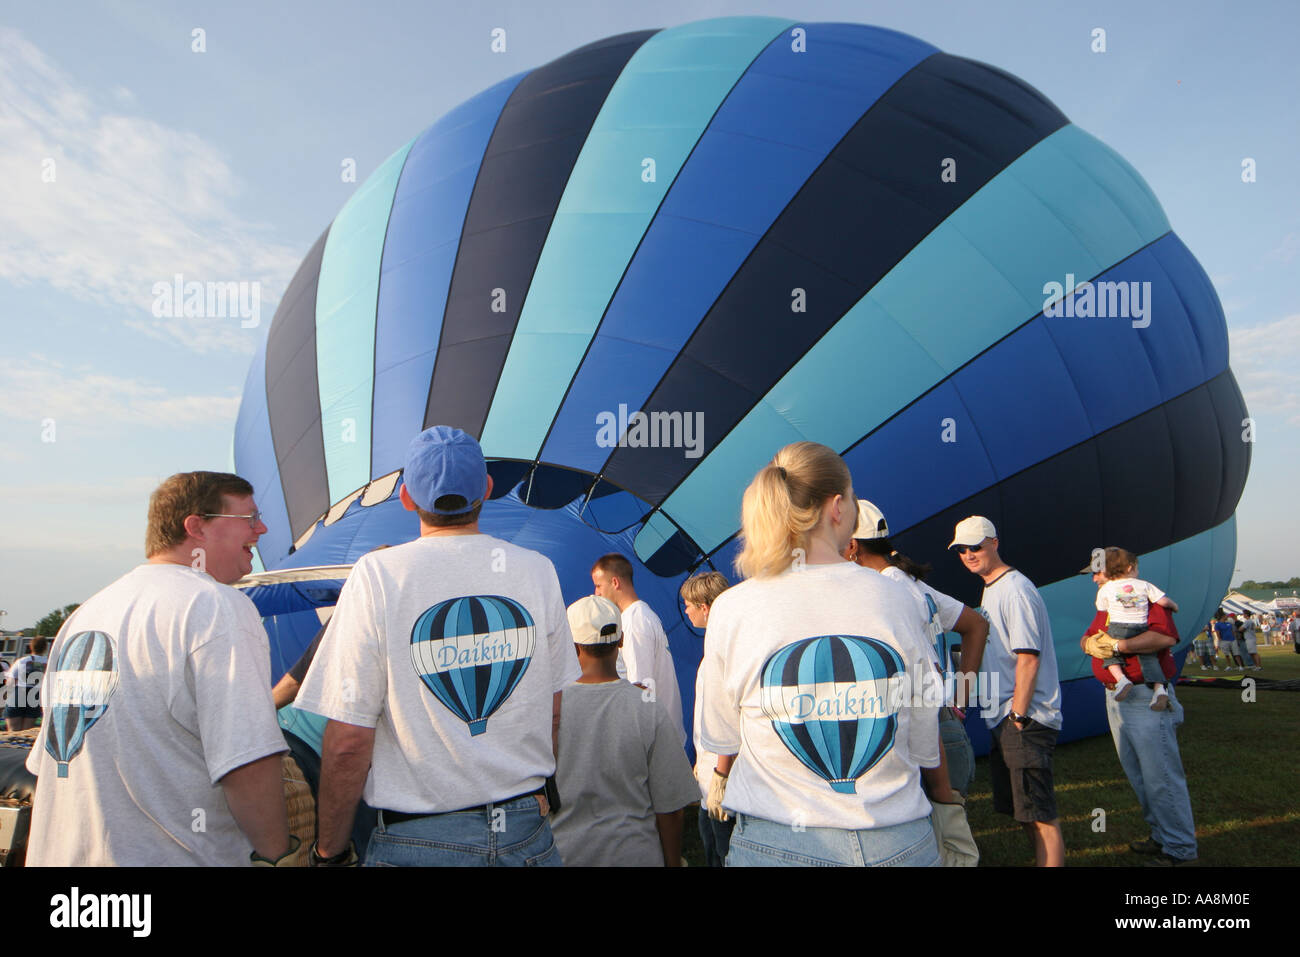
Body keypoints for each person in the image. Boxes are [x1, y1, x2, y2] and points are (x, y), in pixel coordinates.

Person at [295, 426, 579, 867]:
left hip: (417, 839)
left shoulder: (377, 575)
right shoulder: (537, 570)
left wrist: (328, 851)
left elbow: (348, 740)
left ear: (407, 497)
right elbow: (553, 710)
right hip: (525, 832)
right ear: (487, 489)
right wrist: (540, 791)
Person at [698, 441, 954, 867]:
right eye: (852, 498)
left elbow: (721, 735)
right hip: (897, 838)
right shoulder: (896, 597)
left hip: (776, 843)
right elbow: (924, 736)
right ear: (837, 507)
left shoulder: (733, 607)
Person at [24, 471, 294, 866]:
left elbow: (53, 763)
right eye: (249, 518)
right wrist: (277, 856)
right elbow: (248, 761)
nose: (263, 529)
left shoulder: (85, 615)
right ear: (196, 526)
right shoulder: (215, 604)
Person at [843, 500, 989, 798]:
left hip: (926, 730)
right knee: (948, 831)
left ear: (852, 545)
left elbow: (925, 668)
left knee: (942, 833)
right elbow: (976, 625)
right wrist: (959, 700)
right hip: (943, 724)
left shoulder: (888, 589)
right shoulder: (909, 581)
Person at [549, 596, 698, 866]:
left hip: (565, 855)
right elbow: (671, 807)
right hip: (636, 854)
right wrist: (673, 862)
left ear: (571, 646)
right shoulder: (647, 706)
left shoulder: (549, 708)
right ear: (621, 641)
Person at [951, 515, 1065, 867]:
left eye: (976, 546)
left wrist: (1018, 715)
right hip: (1003, 715)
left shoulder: (1015, 589)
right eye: (962, 549)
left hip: (1022, 717)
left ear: (994, 543)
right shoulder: (992, 588)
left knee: (1040, 812)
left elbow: (1028, 657)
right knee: (1024, 810)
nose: (969, 554)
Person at [1080, 557, 1197, 866]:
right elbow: (1090, 636)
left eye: (1098, 573)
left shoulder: (1146, 600)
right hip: (1120, 698)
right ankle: (1162, 836)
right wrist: (1089, 644)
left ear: (1119, 569)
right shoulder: (1108, 604)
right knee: (1139, 775)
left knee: (1161, 777)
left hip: (1146, 696)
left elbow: (1164, 637)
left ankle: (1180, 850)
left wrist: (1116, 647)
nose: (1094, 580)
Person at [591, 553, 686, 747]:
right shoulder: (642, 614)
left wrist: (634, 745)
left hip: (654, 744)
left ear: (615, 582)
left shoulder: (634, 622)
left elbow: (641, 685)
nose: (596, 592)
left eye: (599, 585)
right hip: (662, 738)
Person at [680, 570, 734, 866]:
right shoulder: (714, 648)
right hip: (710, 774)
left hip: (721, 779)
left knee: (721, 853)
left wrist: (721, 777)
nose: (685, 611)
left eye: (689, 604)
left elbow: (729, 719)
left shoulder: (720, 653)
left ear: (705, 607)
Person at [1094, 548, 1179, 709]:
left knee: (1108, 651)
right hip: (1141, 626)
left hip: (1117, 627)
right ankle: (1159, 689)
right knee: (1149, 658)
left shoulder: (1105, 589)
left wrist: (1117, 645)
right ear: (1129, 568)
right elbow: (1164, 601)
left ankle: (1121, 679)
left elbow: (1101, 608)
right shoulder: (1144, 585)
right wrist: (1174, 606)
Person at [4, 636, 48, 732]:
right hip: (35, 695)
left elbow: (11, 680)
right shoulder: (48, 662)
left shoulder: (22, 661)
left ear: (31, 647)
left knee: (13, 730)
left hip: (19, 692)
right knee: (27, 731)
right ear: (45, 647)